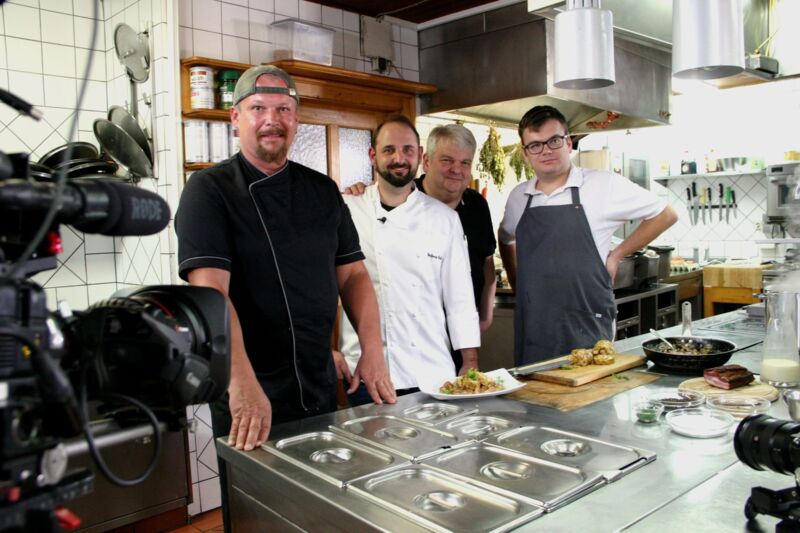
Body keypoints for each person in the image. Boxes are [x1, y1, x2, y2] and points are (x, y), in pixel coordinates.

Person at [175, 65, 395, 531]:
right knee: (263, 515)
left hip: (318, 384)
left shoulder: (320, 191)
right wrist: (241, 386)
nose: (271, 119)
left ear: (296, 119)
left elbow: (353, 275)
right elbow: (211, 294)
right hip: (249, 387)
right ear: (235, 118)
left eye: (284, 109)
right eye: (258, 109)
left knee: (322, 511)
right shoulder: (209, 191)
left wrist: (372, 351)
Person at [498, 105, 677, 365]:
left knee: (592, 398)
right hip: (535, 326)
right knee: (536, 400)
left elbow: (666, 214)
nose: (546, 150)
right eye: (535, 145)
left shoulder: (603, 185)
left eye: (554, 141)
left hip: (586, 321)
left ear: (569, 143)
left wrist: (616, 255)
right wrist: (518, 287)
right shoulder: (518, 197)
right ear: (526, 154)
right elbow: (506, 238)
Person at [337, 115, 480, 404]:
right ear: (373, 155)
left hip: (432, 371)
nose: (398, 158)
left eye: (407, 150)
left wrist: (470, 361)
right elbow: (320, 286)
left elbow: (460, 298)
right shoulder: (346, 209)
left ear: (420, 157)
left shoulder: (445, 219)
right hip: (366, 371)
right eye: (389, 150)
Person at [415, 124, 497, 370]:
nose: (457, 170)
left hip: (463, 336)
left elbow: (487, 266)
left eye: (464, 163)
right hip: (418, 337)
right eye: (447, 160)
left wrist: (484, 317)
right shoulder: (404, 200)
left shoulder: (477, 205)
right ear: (426, 161)